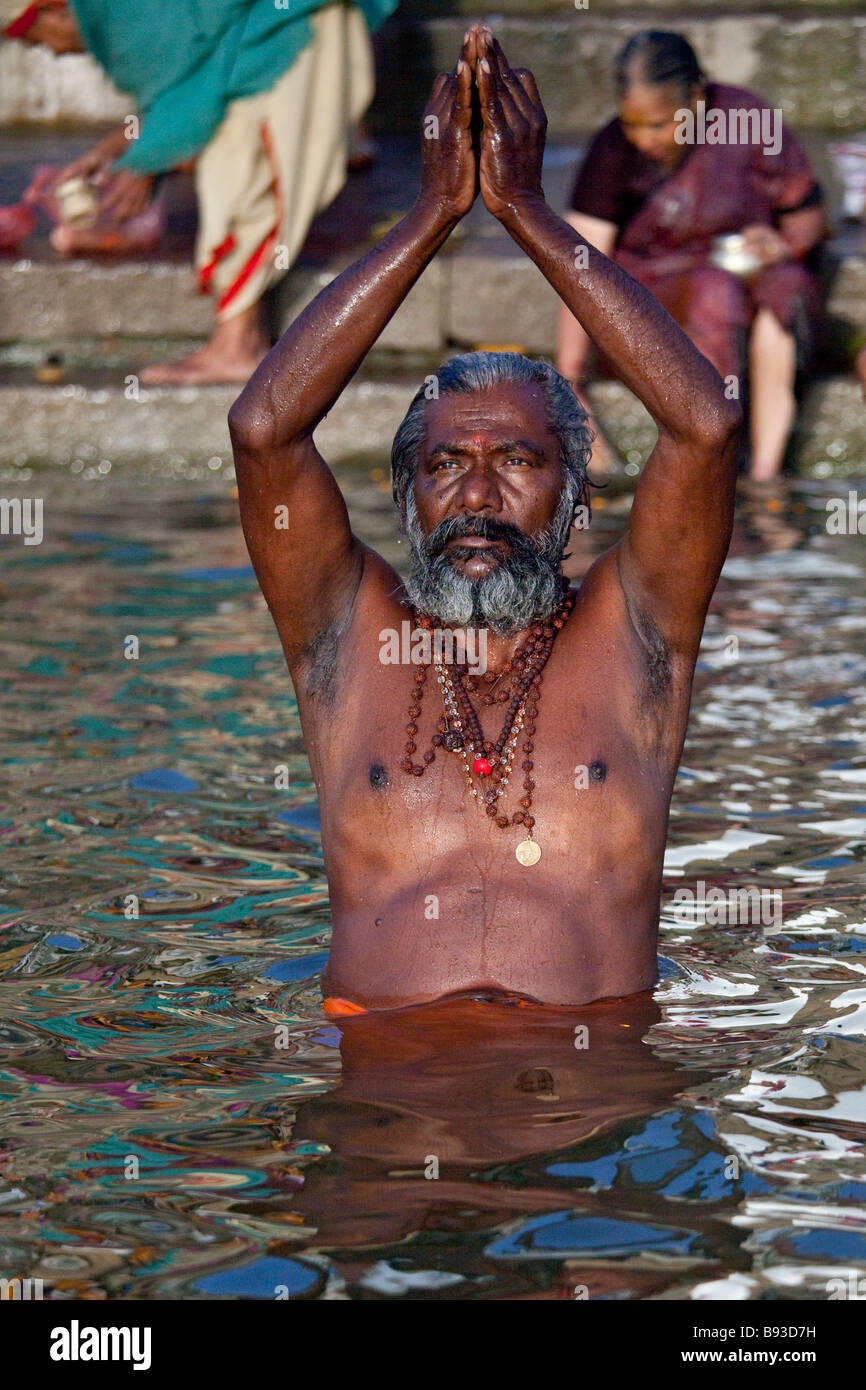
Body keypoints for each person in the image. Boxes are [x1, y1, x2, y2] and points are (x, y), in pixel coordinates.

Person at [229, 26, 741, 1013]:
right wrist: (429, 214)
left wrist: (522, 209)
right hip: (380, 1118)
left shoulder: (636, 634)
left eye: (516, 462)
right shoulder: (346, 636)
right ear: (405, 498)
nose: (475, 494)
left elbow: (705, 425)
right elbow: (262, 428)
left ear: (575, 497)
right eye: (444, 467)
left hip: (589, 1128)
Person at [3, 0, 396, 384]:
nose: (51, 53)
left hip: (291, 33)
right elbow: (189, 85)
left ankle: (237, 348)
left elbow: (198, 92)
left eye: (37, 40)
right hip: (277, 36)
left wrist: (147, 161)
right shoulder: (112, 15)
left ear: (53, 10)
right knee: (238, 173)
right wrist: (110, 152)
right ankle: (245, 339)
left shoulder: (119, 12)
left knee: (243, 179)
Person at [556, 30, 824, 484]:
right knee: (713, 292)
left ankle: (762, 475)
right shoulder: (612, 151)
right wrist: (569, 376)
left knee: (784, 287)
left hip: (748, 281)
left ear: (696, 99)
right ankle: (712, 465)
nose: (643, 139)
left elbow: (808, 216)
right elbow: (582, 264)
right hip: (658, 297)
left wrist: (781, 244)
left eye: (660, 124)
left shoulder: (748, 119)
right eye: (632, 124)